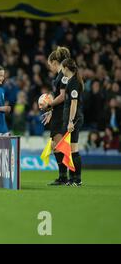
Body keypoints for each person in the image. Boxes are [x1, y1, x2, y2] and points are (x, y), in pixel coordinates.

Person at [41, 47, 71, 185]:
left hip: (61, 115)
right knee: (55, 145)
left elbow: (63, 96)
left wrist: (49, 104)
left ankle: (64, 177)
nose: (50, 68)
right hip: (57, 113)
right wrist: (51, 110)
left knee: (58, 145)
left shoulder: (62, 77)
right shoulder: (59, 76)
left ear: (54, 62)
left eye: (49, 65)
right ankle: (63, 176)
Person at [61, 58, 85, 186]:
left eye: (62, 67)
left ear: (66, 68)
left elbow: (74, 103)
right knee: (69, 149)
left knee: (73, 149)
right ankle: (72, 178)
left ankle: (77, 179)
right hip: (70, 118)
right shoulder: (71, 81)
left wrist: (71, 121)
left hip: (74, 119)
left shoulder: (74, 82)